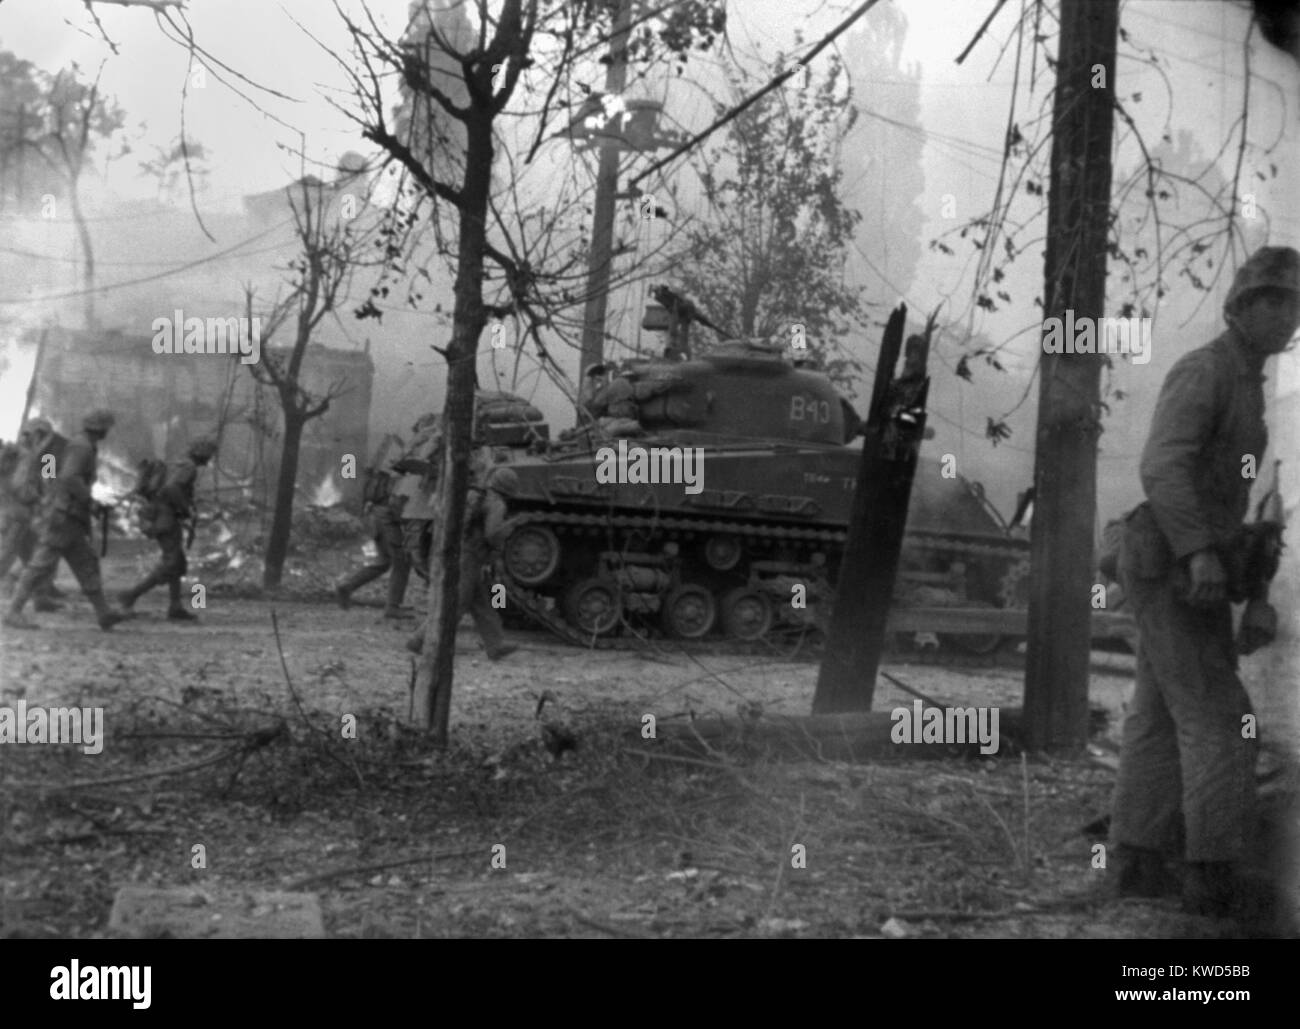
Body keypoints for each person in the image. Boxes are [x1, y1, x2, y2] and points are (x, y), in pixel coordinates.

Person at [1110, 245, 1300, 920]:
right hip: (1168, 559)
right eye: (1271, 301)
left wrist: (1255, 592)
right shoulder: (1206, 372)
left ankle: (1135, 864)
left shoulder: (1251, 387)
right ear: (1241, 307)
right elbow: (1161, 468)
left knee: (1161, 715)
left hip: (1192, 565)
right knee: (1223, 720)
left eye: (1294, 304)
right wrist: (1198, 555)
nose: (1285, 316)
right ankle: (1211, 880)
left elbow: (1247, 506)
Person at [3, 409, 126, 631]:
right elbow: (56, 479)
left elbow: (49, 479)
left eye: (30, 434)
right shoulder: (49, 451)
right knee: (26, 559)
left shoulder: (46, 452)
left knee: (73, 561)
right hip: (37, 512)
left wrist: (44, 500)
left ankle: (100, 612)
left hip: (43, 511)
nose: (27, 438)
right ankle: (18, 607)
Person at [405, 460, 520, 662]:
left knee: (481, 603)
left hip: (459, 552)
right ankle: (420, 640)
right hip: (470, 557)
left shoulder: (475, 495)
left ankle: (495, 644)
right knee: (455, 604)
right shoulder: (497, 504)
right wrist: (509, 528)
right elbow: (492, 533)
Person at [0, 418, 64, 610]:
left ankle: (40, 598)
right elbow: (36, 487)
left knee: (35, 558)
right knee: (7, 557)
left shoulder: (17, 453)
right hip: (22, 513)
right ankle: (39, 597)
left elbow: (49, 481)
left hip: (17, 512)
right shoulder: (38, 456)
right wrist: (42, 500)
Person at [334, 461, 412, 618]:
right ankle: (393, 607)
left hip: (376, 517)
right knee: (401, 562)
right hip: (387, 519)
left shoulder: (382, 475)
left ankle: (348, 586)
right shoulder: (397, 478)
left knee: (383, 562)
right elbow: (396, 504)